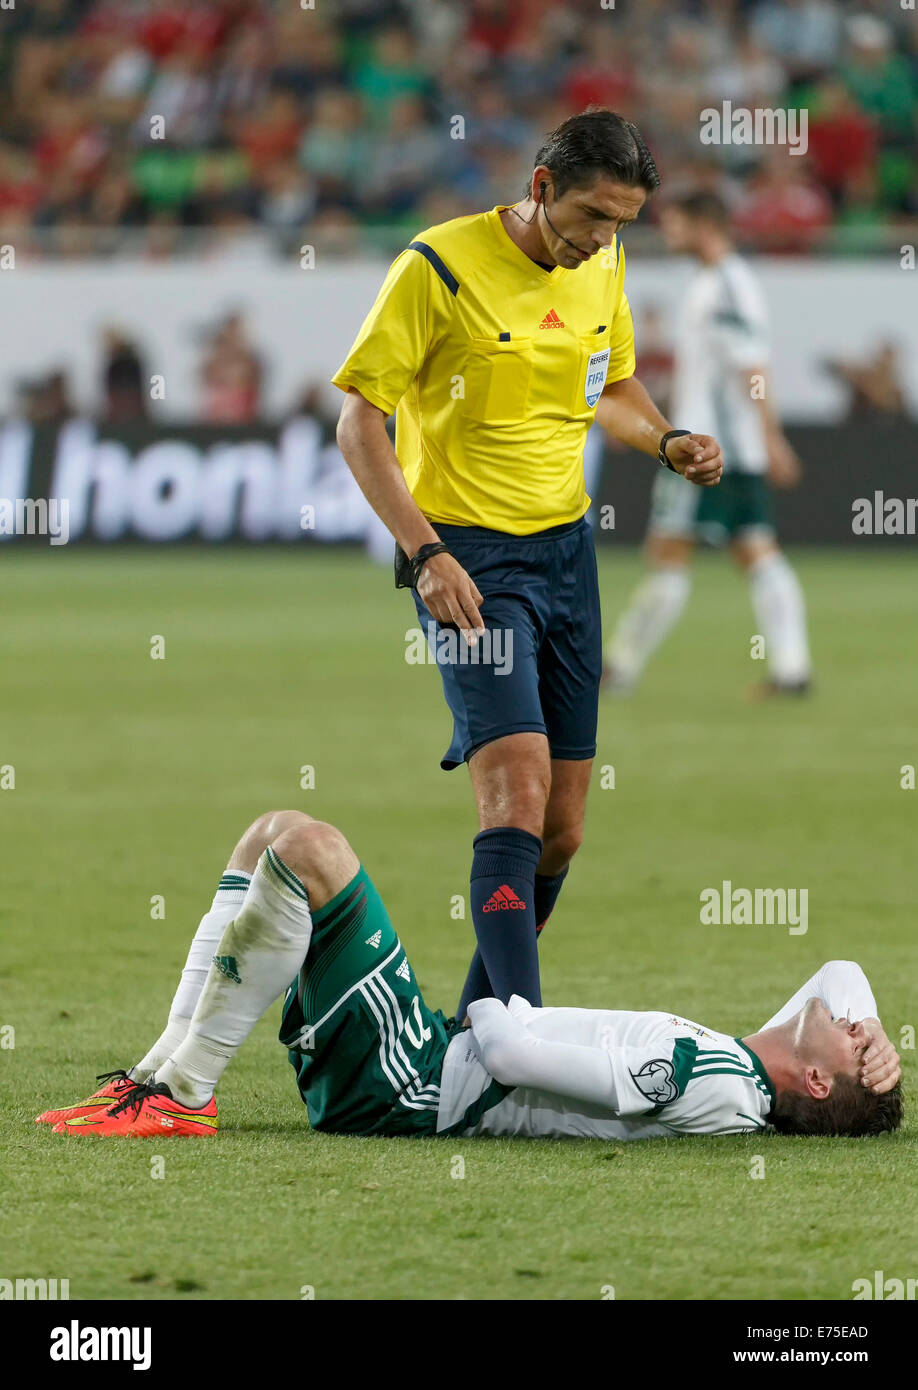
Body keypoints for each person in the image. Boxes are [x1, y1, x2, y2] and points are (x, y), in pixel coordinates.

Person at [333, 109, 724, 1019]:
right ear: (541, 187)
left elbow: (612, 386)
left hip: (566, 555)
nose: (603, 240)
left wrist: (666, 440)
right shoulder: (437, 266)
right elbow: (359, 421)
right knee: (514, 791)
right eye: (592, 216)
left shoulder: (606, 263)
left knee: (561, 830)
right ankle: (521, 1043)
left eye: (621, 223)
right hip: (468, 561)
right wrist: (423, 552)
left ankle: (476, 1033)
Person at [37, 810, 901, 1142]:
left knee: (308, 852)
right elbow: (840, 973)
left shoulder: (714, 1080)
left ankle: (183, 1095)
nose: (856, 1018)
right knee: (272, 832)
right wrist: (879, 1048)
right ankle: (156, 1076)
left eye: (853, 1033)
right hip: (423, 1066)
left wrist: (502, 1002)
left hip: (414, 1083)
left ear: (818, 1080)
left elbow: (520, 1062)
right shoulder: (743, 1062)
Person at [602, 190, 812, 698]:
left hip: (707, 451)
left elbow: (752, 366)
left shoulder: (726, 286)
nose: (667, 232)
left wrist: (770, 435)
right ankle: (792, 669)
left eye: (674, 223)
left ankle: (619, 668)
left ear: (702, 224)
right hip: (730, 447)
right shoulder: (712, 283)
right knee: (757, 552)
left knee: (667, 553)